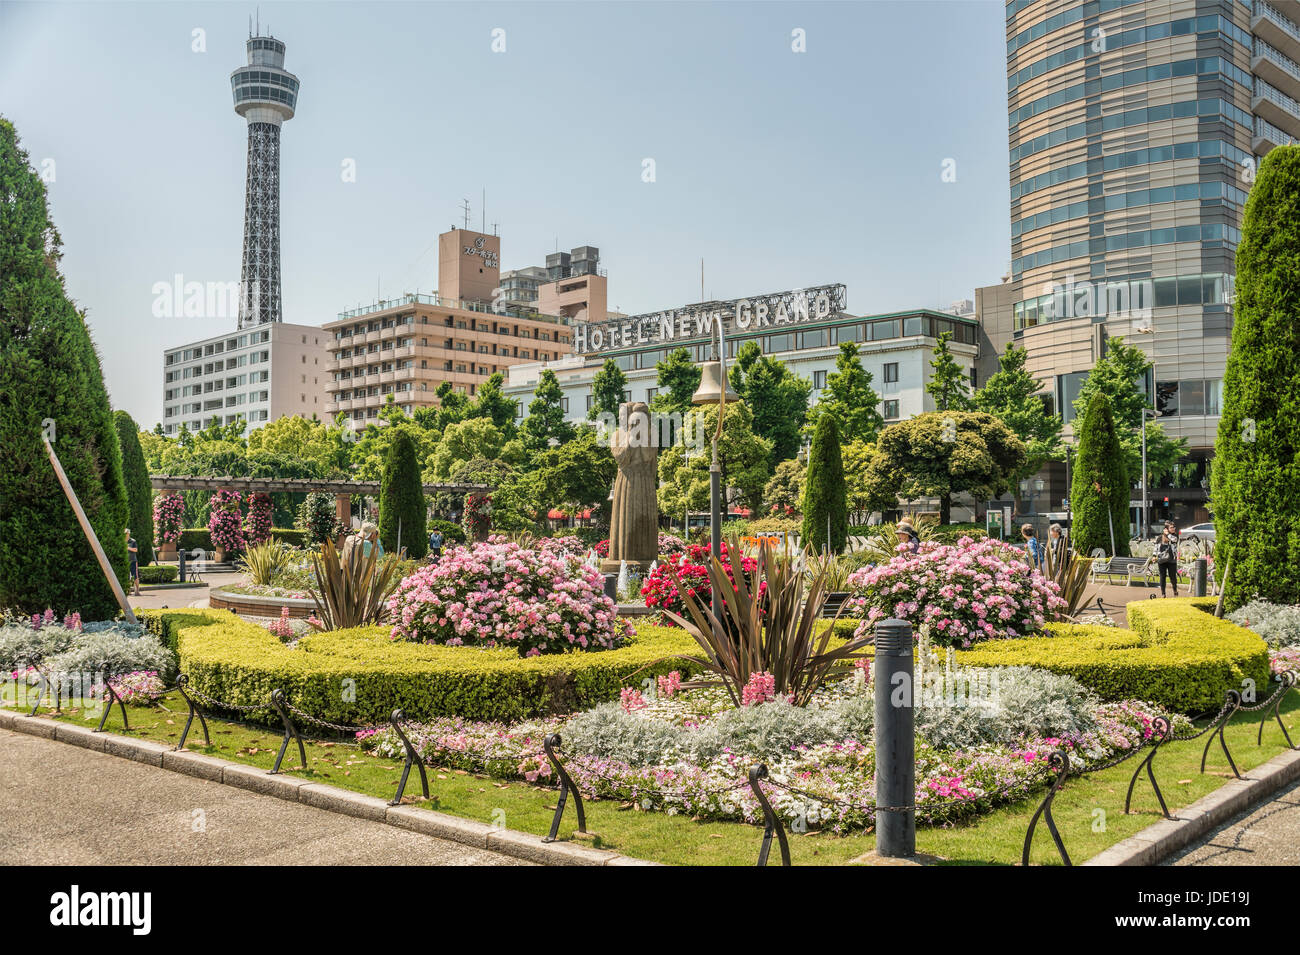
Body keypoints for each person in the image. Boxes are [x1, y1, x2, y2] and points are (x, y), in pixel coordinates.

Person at [1155, 530, 1179, 597]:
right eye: (1171, 527)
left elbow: (1174, 540)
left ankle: (1175, 590)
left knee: (1173, 577)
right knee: (1162, 577)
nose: (1173, 528)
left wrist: (1168, 534)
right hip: (1162, 560)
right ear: (1166, 529)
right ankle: (1163, 593)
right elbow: (1156, 548)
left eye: (1173, 527)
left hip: (1171, 560)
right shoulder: (1159, 537)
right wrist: (1154, 556)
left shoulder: (1174, 536)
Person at [125, 528, 140, 596]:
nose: (125, 534)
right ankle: (128, 591)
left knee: (135, 576)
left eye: (126, 533)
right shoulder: (122, 540)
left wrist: (128, 548)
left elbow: (136, 550)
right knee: (126, 576)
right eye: (124, 533)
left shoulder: (133, 541)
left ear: (129, 533)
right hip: (125, 561)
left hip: (133, 560)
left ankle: (137, 591)